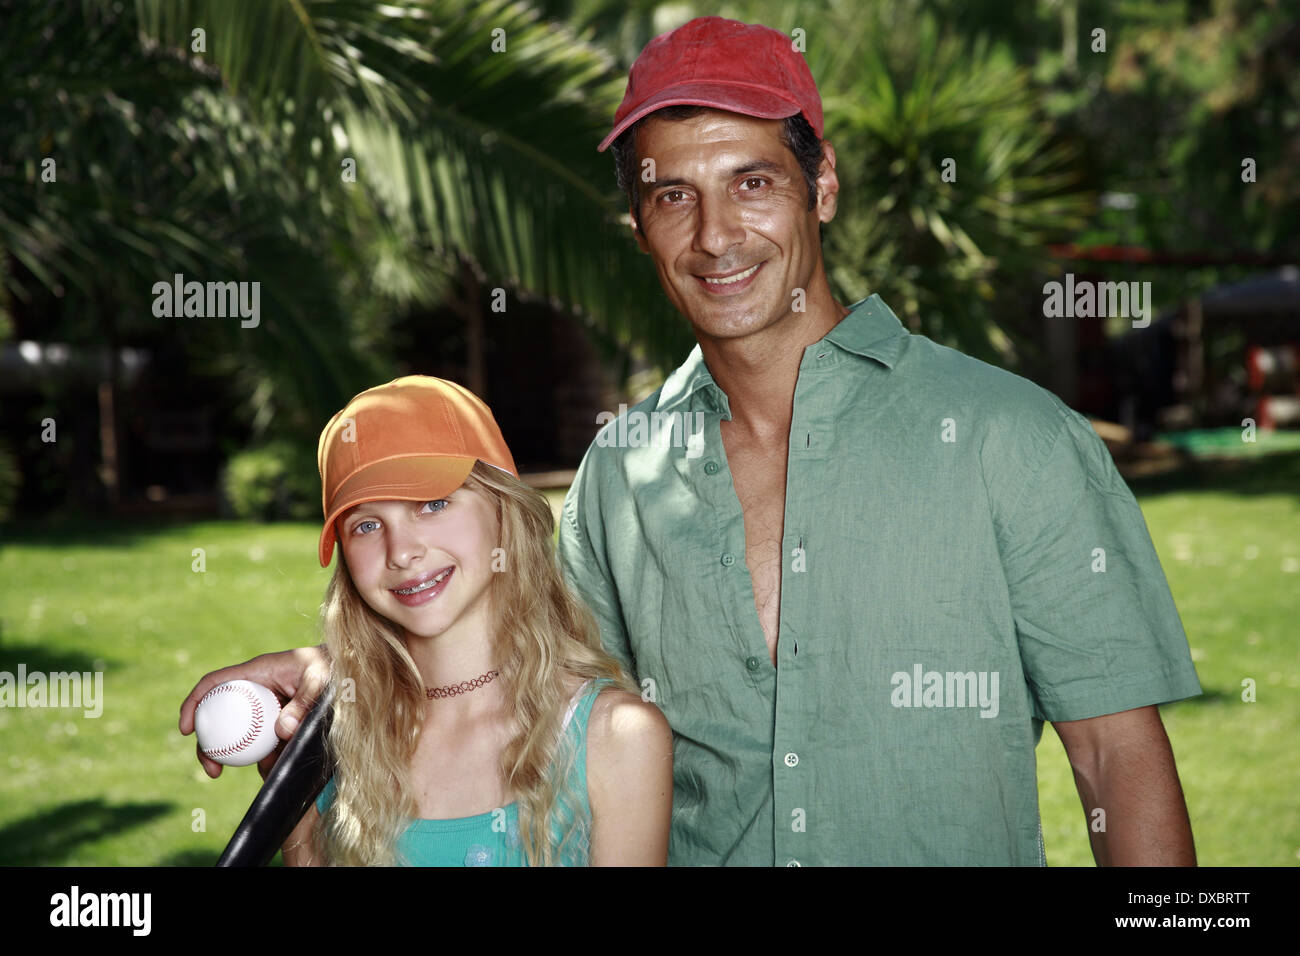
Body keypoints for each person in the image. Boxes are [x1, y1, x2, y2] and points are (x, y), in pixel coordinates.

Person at [182, 17, 1200, 866]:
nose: (715, 234)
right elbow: (517, 681)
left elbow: (1115, 757)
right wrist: (339, 677)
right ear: (638, 225)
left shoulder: (1010, 439)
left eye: (752, 182)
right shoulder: (622, 476)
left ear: (822, 185)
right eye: (673, 195)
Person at [186, 375, 673, 866]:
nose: (402, 552)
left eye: (433, 503)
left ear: (505, 510)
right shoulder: (340, 736)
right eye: (367, 525)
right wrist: (296, 809)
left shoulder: (615, 737)